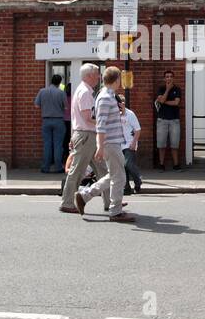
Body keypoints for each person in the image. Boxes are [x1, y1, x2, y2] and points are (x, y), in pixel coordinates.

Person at [75, 66, 134, 223]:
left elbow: (108, 120)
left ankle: (85, 195)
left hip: (112, 142)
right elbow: (100, 125)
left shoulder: (109, 96)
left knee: (113, 175)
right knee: (119, 177)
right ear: (116, 80)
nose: (121, 82)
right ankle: (115, 211)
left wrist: (121, 112)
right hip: (110, 143)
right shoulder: (105, 98)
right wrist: (100, 146)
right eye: (120, 79)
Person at [60, 63, 101, 214]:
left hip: (85, 135)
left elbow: (76, 117)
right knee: (77, 171)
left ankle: (112, 202)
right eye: (97, 73)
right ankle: (67, 202)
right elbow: (87, 117)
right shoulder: (85, 92)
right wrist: (104, 123)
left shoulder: (83, 90)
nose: (99, 76)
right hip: (87, 136)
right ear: (89, 75)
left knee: (103, 170)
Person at [34, 74, 69, 174]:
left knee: (47, 144)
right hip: (58, 120)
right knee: (58, 145)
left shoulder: (42, 91)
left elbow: (36, 105)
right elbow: (66, 107)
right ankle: (58, 167)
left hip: (46, 120)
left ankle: (45, 167)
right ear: (59, 82)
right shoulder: (61, 93)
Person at [154, 70, 183, 171]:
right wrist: (167, 90)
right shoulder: (161, 89)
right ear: (164, 78)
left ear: (173, 78)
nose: (169, 78)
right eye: (167, 76)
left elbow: (176, 103)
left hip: (174, 120)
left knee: (175, 144)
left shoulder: (177, 89)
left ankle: (176, 165)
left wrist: (163, 101)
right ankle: (161, 165)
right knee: (161, 144)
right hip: (162, 120)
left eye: (171, 76)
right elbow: (160, 100)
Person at [120, 94, 143, 194]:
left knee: (128, 164)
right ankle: (126, 188)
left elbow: (138, 130)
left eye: (119, 105)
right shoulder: (115, 115)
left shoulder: (130, 114)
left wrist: (134, 143)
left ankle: (138, 181)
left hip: (129, 143)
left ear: (123, 104)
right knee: (122, 166)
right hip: (119, 144)